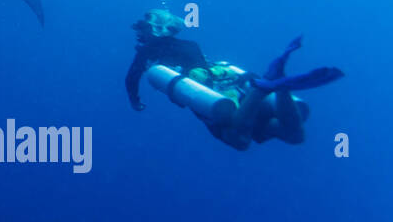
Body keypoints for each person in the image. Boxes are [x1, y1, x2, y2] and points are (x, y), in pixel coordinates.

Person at [125, 9, 344, 149]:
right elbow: (202, 64)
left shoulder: (147, 51)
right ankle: (279, 84)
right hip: (232, 83)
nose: (139, 35)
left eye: (143, 29)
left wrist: (135, 101)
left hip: (209, 94)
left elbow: (132, 77)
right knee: (295, 135)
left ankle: (262, 88)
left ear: (154, 28)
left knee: (239, 138)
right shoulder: (191, 45)